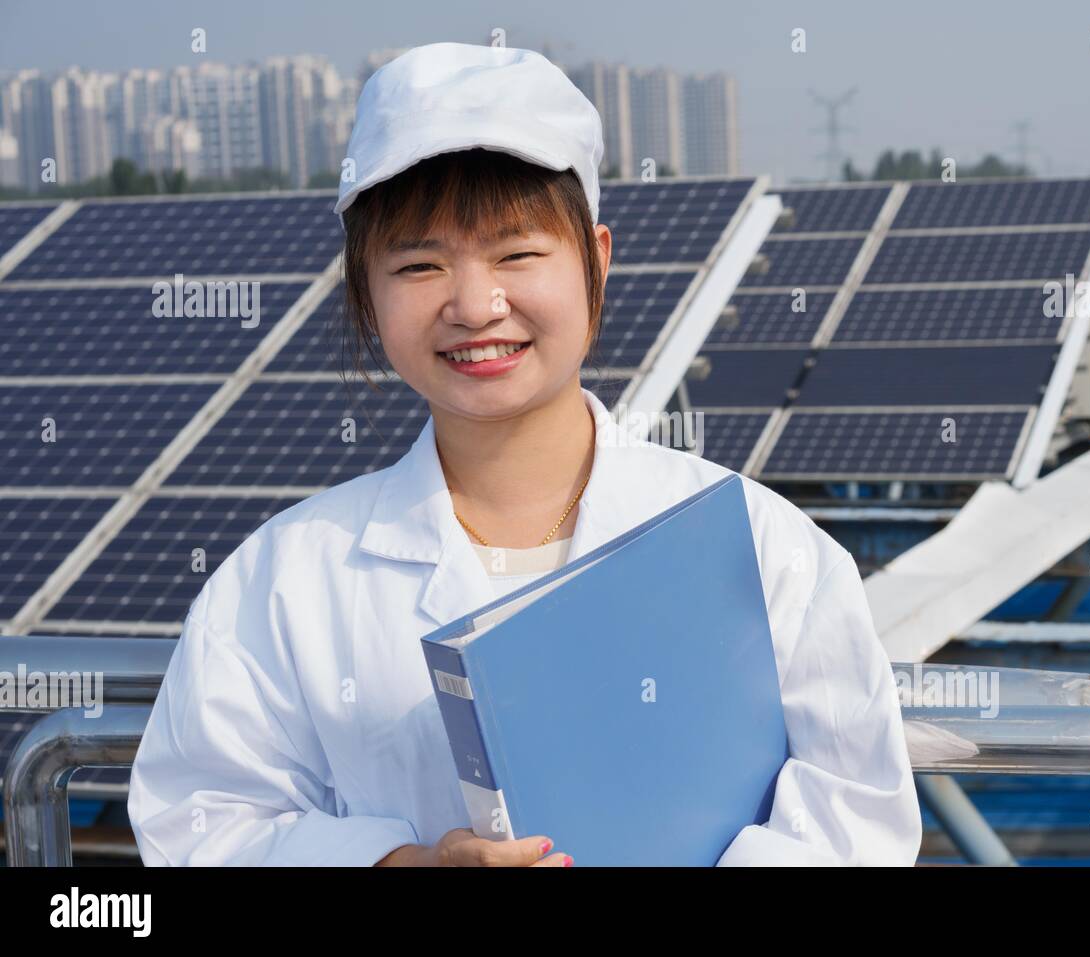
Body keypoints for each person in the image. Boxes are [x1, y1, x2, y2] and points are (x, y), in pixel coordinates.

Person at [127, 41, 922, 867]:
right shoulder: (281, 580)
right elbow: (199, 822)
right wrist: (406, 865)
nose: (475, 304)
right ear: (365, 295)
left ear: (597, 263)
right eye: (419, 263)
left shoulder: (765, 551)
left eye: (517, 253)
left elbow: (855, 823)